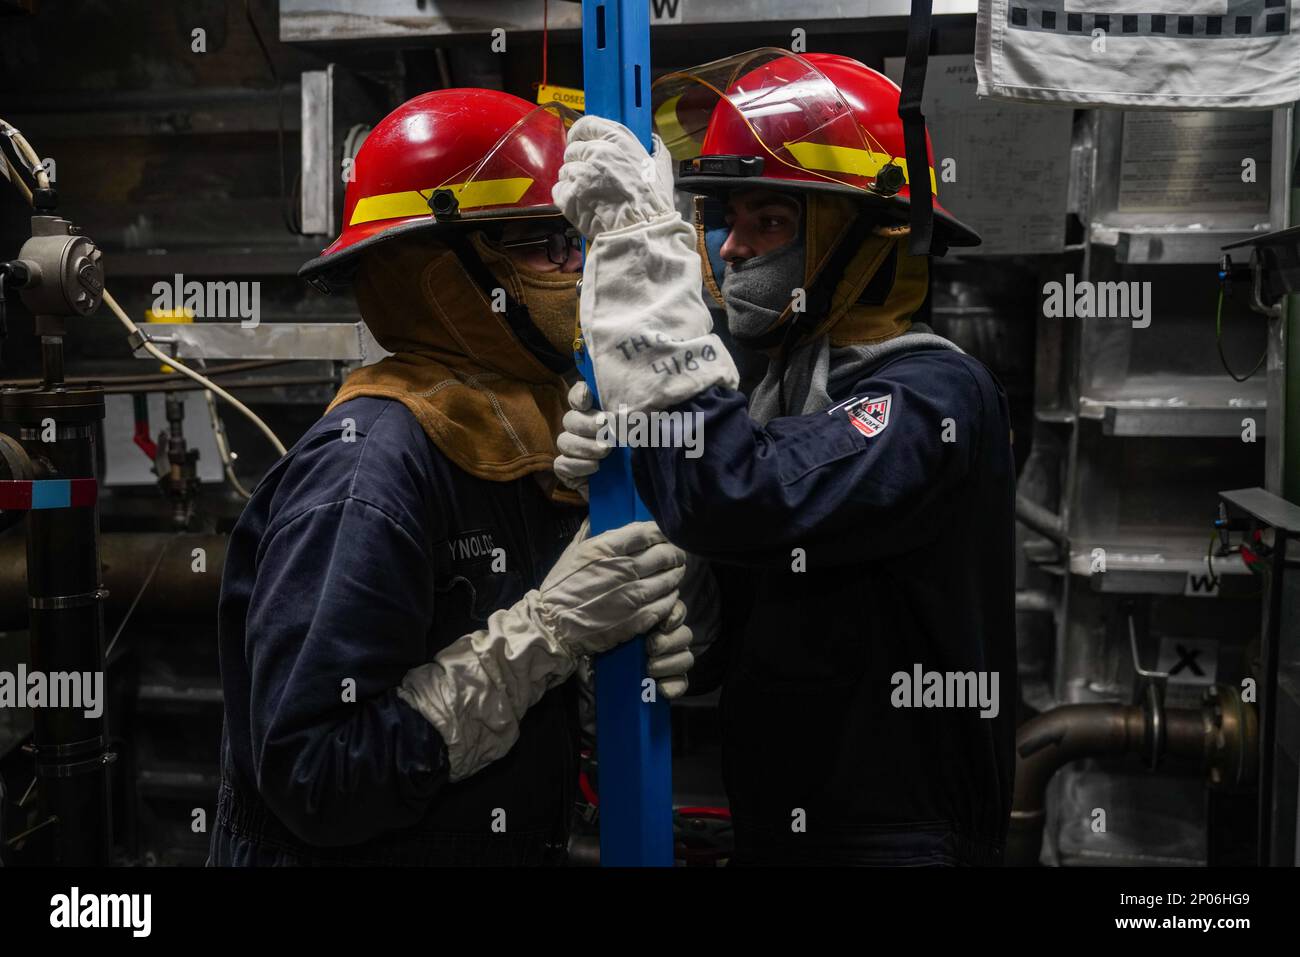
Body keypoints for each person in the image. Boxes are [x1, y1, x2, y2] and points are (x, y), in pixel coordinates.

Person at [553, 51, 1017, 866]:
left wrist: (641, 281)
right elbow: (749, 597)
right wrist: (653, 497)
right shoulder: (789, 388)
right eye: (729, 221)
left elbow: (741, 493)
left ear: (871, 241)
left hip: (894, 845)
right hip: (782, 826)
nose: (729, 250)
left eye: (769, 221)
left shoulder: (934, 397)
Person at [209, 89, 694, 867]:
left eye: (579, 246)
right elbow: (316, 775)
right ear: (443, 278)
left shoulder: (523, 431)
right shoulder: (369, 470)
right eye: (548, 248)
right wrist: (545, 636)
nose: (579, 275)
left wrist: (613, 658)